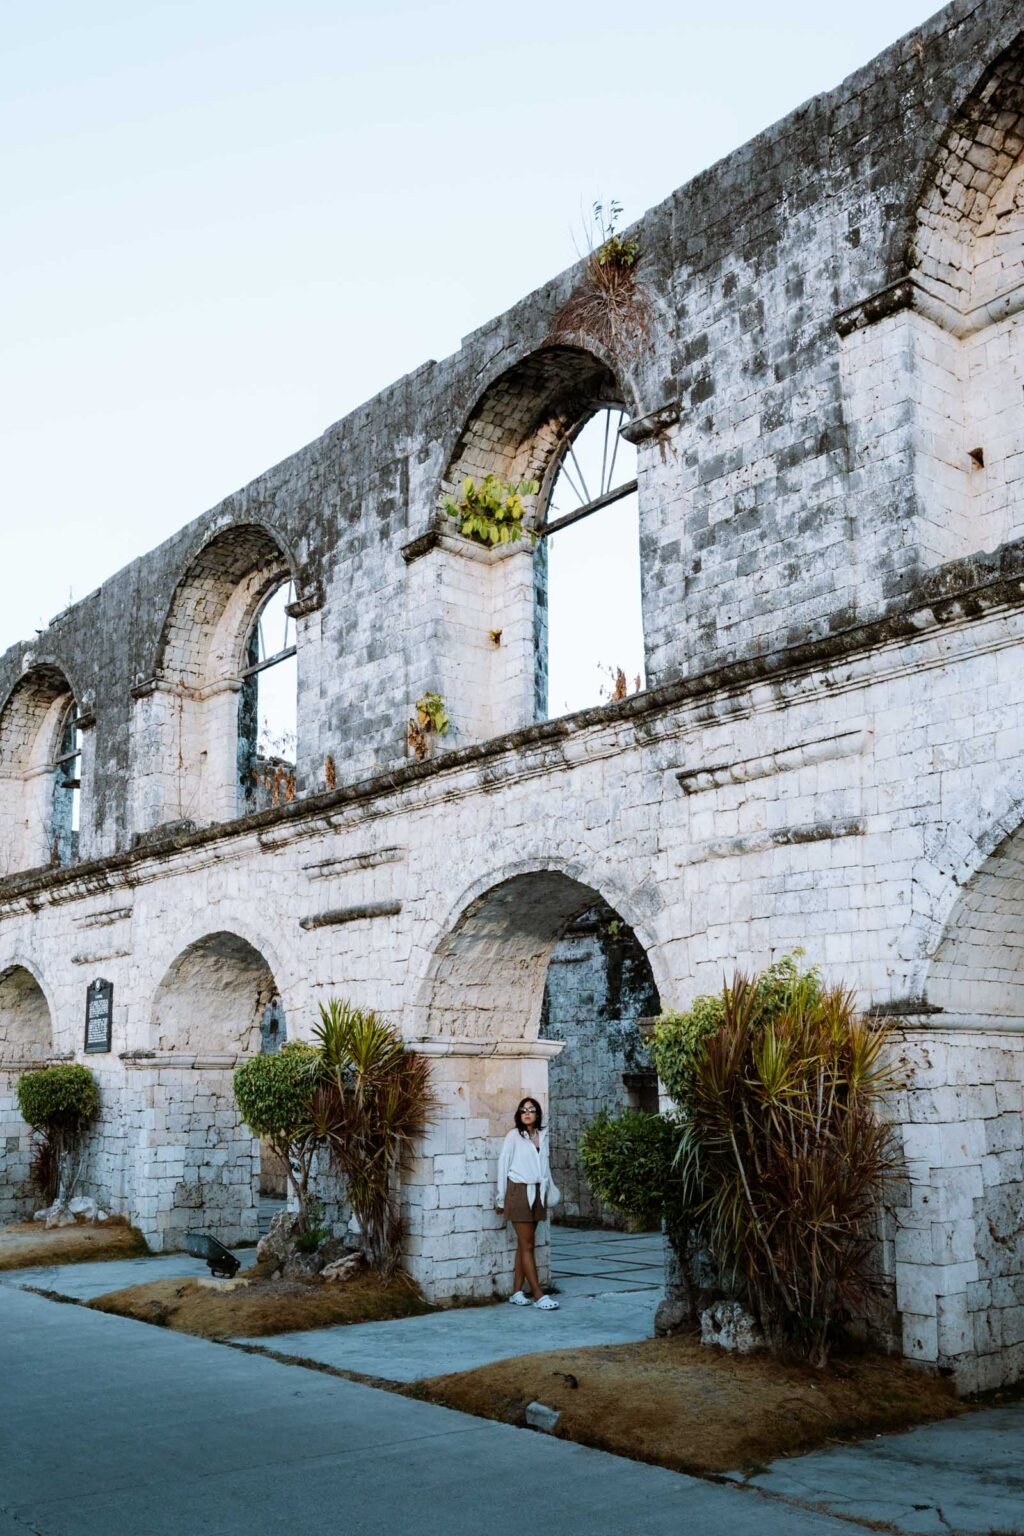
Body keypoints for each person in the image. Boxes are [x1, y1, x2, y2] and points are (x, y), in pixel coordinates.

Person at [495, 1097, 560, 1310]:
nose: (527, 1113)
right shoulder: (513, 1136)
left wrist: (549, 1189)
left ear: (537, 1114)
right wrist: (500, 1197)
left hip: (538, 1193)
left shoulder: (543, 1135)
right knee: (528, 1244)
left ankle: (516, 1291)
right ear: (519, 1114)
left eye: (531, 1110)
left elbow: (545, 1166)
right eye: (523, 1110)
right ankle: (538, 1294)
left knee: (524, 1245)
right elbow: (503, 1166)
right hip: (519, 1192)